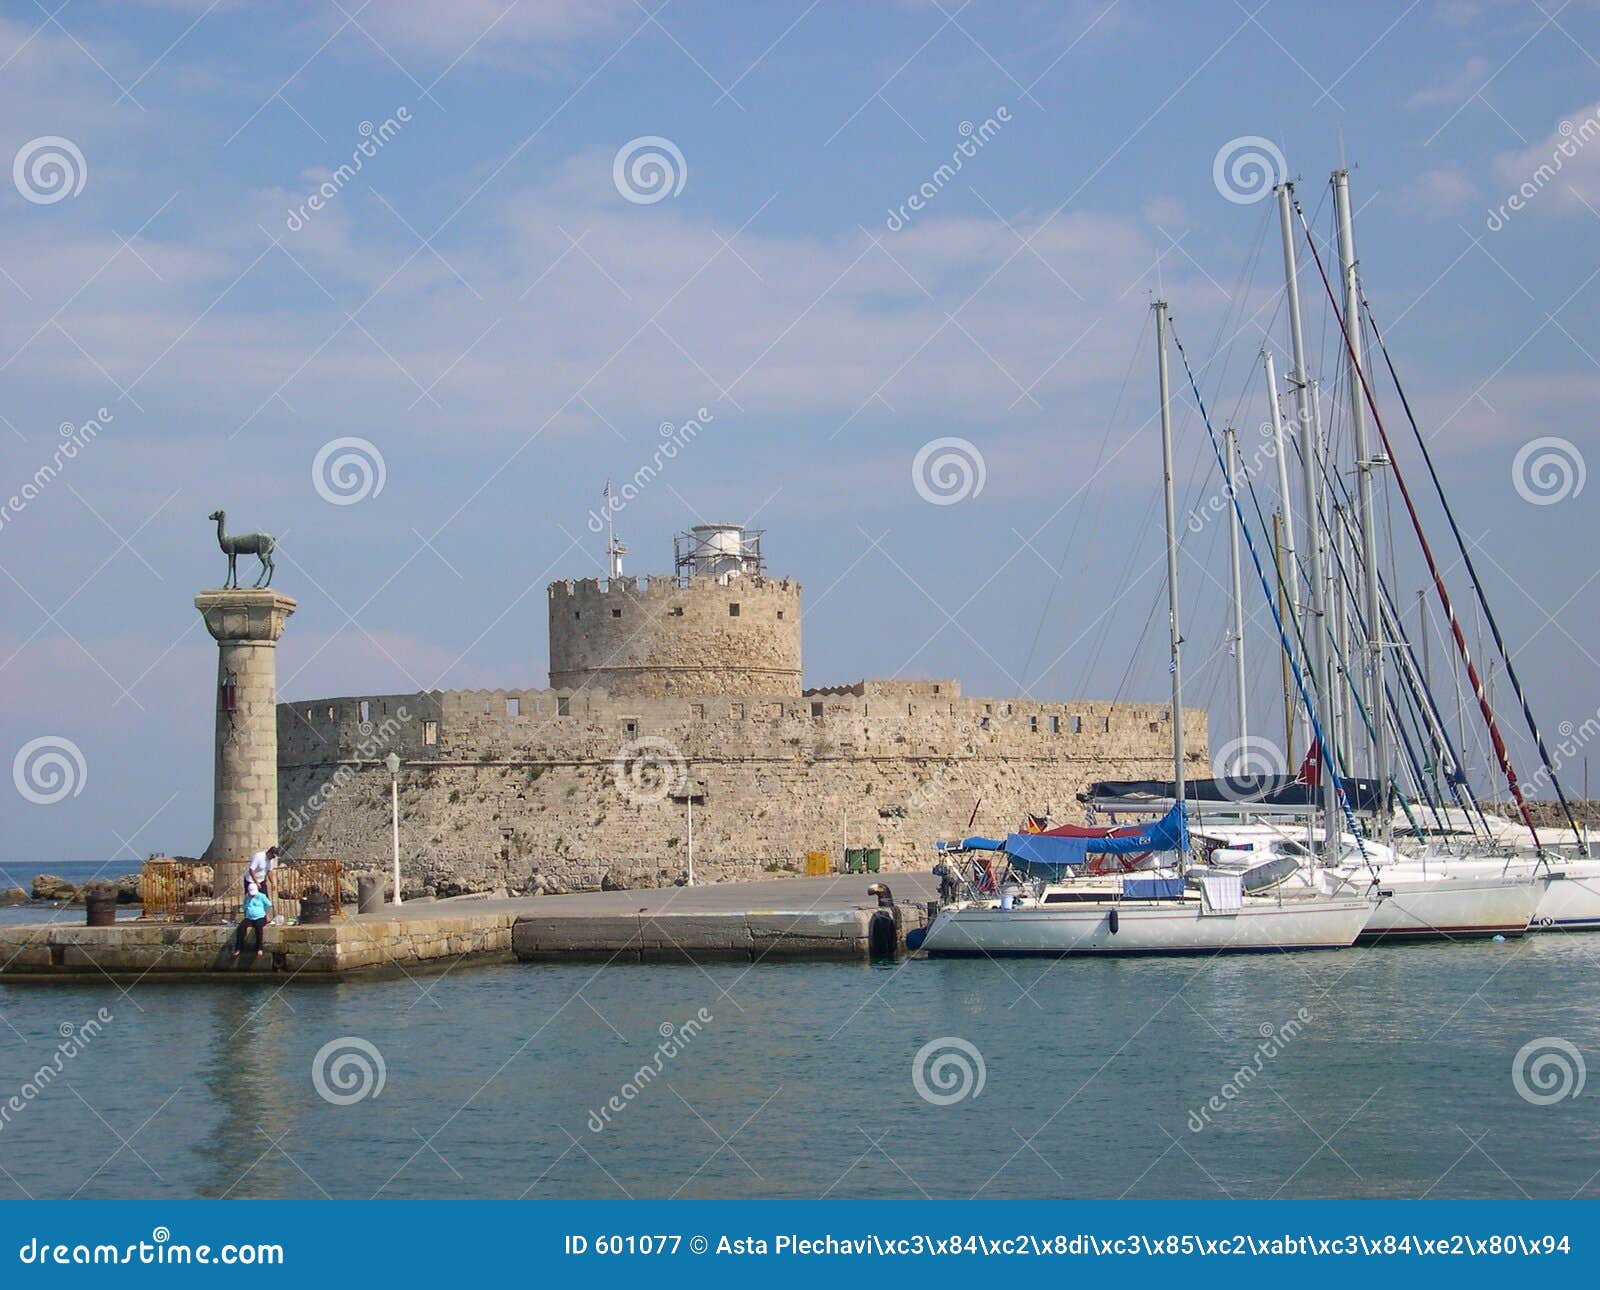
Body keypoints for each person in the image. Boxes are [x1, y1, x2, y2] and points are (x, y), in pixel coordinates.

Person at [233, 882, 270, 957]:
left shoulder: (262, 896)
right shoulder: (247, 896)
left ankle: (259, 948)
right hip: (249, 917)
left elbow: (268, 904)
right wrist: (247, 909)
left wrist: (264, 912)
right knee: (241, 928)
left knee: (259, 928)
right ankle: (239, 948)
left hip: (260, 917)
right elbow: (244, 906)